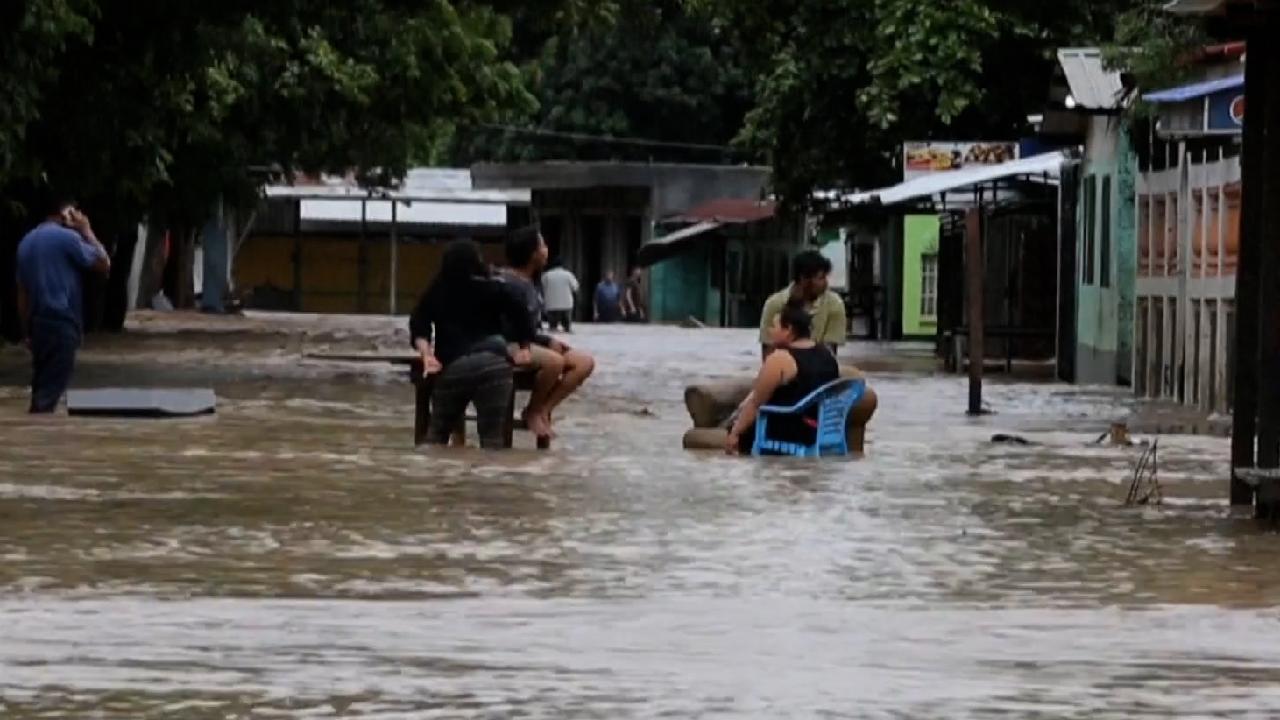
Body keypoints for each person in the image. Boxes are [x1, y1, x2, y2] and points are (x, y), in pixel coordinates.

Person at [408, 240, 534, 450]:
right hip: (494, 365)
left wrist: (426, 354)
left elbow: (418, 323)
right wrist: (524, 347)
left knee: (436, 435)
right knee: (492, 441)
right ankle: (488, 480)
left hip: (454, 367)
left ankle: (427, 477)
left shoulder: (438, 290)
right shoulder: (493, 287)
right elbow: (522, 311)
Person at [15, 197, 111, 413]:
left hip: (38, 326)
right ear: (65, 213)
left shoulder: (26, 242)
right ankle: (39, 440)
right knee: (47, 400)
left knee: (42, 393)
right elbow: (104, 264)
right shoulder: (67, 238)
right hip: (61, 325)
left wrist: (26, 331)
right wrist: (87, 231)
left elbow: (22, 294)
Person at [501, 227, 596, 439]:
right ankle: (534, 410)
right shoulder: (508, 283)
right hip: (511, 344)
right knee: (554, 362)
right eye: (542, 245)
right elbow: (509, 327)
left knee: (584, 363)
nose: (546, 250)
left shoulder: (531, 282)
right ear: (532, 252)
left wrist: (547, 340)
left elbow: (530, 325)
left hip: (532, 341)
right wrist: (543, 341)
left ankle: (543, 408)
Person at [726, 300, 840, 455]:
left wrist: (734, 433)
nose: (770, 330)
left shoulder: (780, 359)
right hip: (822, 430)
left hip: (787, 433)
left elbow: (755, 403)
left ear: (788, 330)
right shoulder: (827, 354)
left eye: (774, 326)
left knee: (733, 433)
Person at [759, 250, 846, 360]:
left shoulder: (834, 304)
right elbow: (768, 349)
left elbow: (829, 353)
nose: (826, 283)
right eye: (821, 278)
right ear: (803, 279)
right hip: (783, 366)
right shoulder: (775, 303)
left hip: (818, 368)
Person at [540, 258, 579, 332]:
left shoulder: (547, 275)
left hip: (551, 304)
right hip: (566, 304)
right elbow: (575, 287)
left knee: (552, 327)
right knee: (567, 328)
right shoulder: (568, 274)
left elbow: (542, 287)